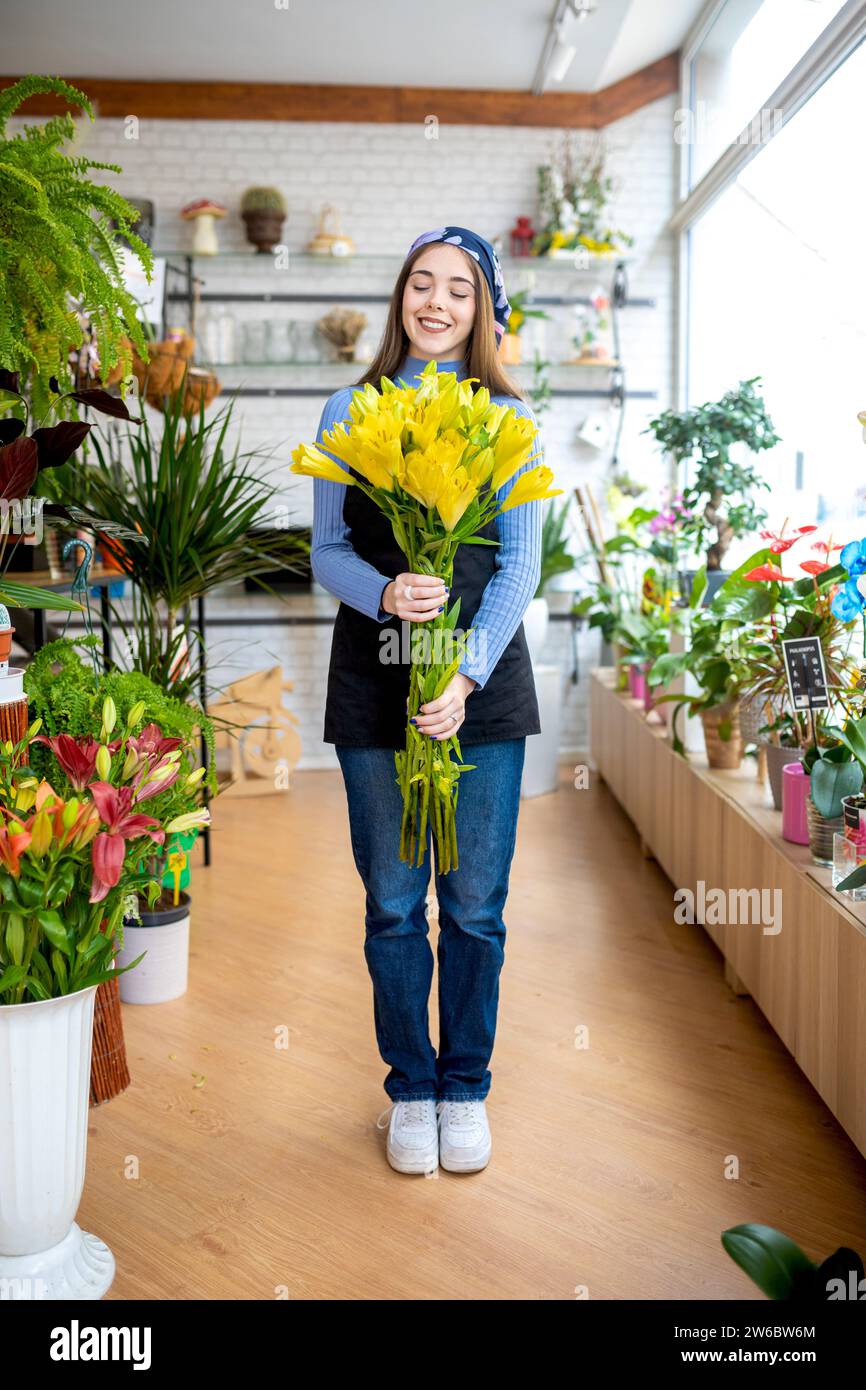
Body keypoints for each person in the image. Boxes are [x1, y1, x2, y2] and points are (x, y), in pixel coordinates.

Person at [309, 226, 544, 1175]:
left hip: (479, 693)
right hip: (375, 684)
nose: (436, 303)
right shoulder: (347, 408)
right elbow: (326, 550)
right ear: (399, 295)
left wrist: (464, 671)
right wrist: (386, 593)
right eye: (420, 283)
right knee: (395, 903)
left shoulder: (509, 416)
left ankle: (467, 1087)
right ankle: (411, 1088)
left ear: (482, 308)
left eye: (458, 288)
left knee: (477, 905)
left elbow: (521, 562)